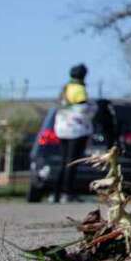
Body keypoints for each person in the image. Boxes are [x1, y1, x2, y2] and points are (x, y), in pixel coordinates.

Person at [51, 63, 94, 204]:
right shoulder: (80, 89)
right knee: (72, 162)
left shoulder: (65, 88)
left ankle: (56, 193)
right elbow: (83, 109)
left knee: (64, 162)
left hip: (61, 129)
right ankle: (67, 193)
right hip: (76, 130)